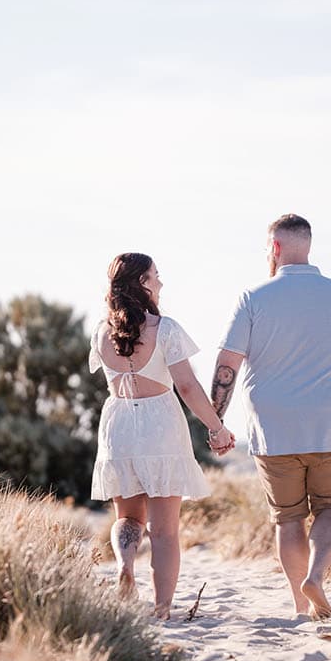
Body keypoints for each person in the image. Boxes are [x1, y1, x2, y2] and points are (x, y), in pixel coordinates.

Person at [210, 214, 331, 619]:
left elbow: (226, 366)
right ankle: (317, 577)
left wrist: (216, 422)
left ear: (274, 249)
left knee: (288, 519)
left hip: (274, 430)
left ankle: (300, 604)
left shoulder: (253, 298)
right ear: (308, 246)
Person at [91, 253, 236, 619]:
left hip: (118, 422)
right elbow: (186, 387)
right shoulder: (165, 328)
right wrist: (216, 427)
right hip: (160, 423)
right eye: (156, 276)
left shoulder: (100, 331)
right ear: (142, 282)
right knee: (165, 531)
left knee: (128, 517)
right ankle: (162, 608)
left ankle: (125, 563)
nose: (161, 282)